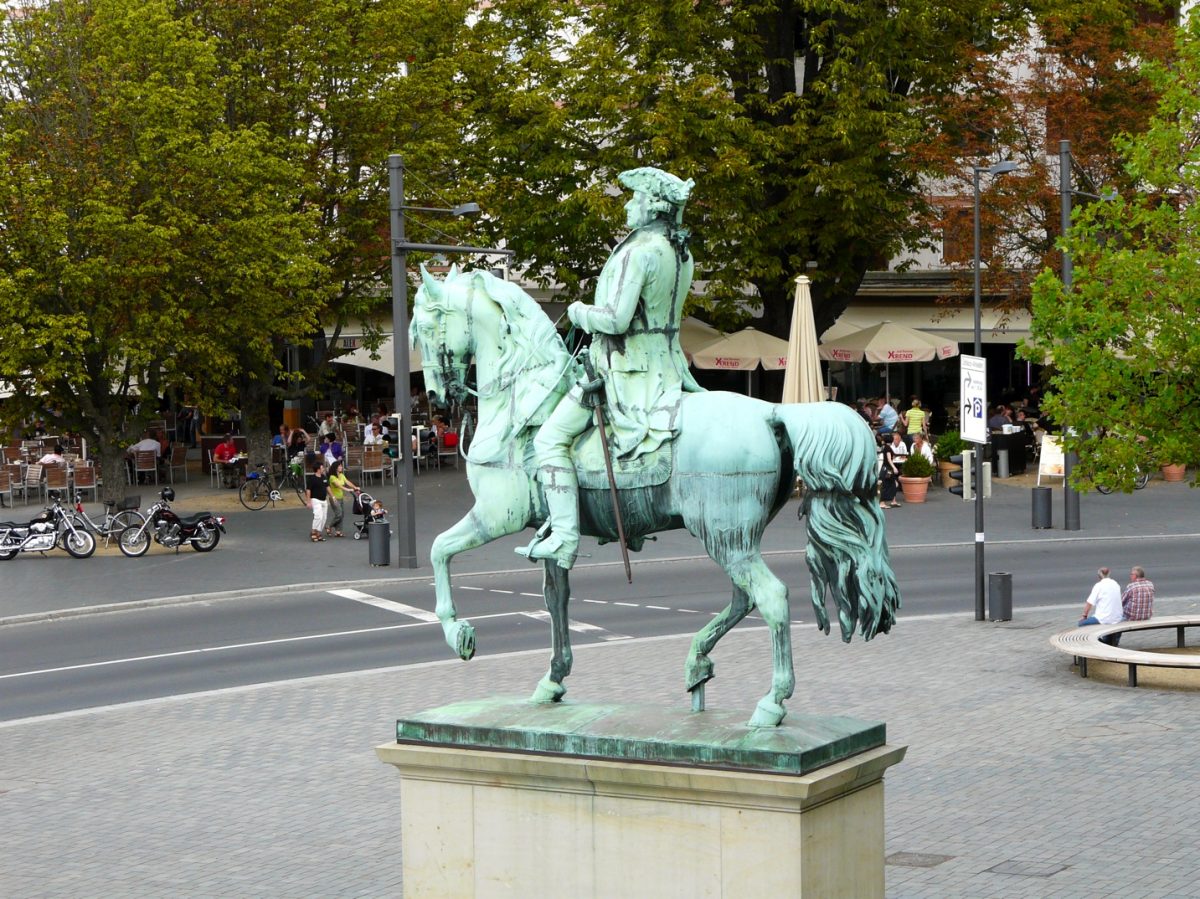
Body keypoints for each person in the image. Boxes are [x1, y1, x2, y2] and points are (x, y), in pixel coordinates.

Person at [518, 167, 702, 569]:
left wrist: (579, 312)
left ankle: (565, 536)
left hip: (625, 371)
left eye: (634, 199)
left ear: (652, 206)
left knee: (549, 440)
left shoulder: (640, 252)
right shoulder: (680, 252)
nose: (627, 206)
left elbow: (617, 320)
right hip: (667, 366)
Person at [1077, 567, 1123, 646]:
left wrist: (1084, 616)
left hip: (1103, 618)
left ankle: (1097, 642)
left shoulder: (1099, 585)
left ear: (1099, 576)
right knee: (1111, 623)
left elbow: (1089, 603)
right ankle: (1113, 641)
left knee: (1081, 624)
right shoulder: (1116, 584)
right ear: (1109, 574)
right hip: (1117, 617)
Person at [325, 459, 359, 539]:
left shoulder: (341, 475)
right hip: (334, 498)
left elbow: (347, 482)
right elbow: (338, 485)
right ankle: (328, 526)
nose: (341, 467)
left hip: (341, 498)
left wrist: (355, 487)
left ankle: (338, 531)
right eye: (339, 466)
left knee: (341, 515)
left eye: (341, 466)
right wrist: (348, 490)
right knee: (339, 514)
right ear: (335, 468)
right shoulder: (332, 477)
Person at [305, 457, 329, 542]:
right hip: (315, 500)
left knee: (324, 518)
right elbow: (308, 490)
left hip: (324, 500)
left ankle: (319, 533)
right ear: (318, 469)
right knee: (318, 516)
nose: (323, 469)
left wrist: (332, 496)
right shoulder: (312, 479)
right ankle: (313, 532)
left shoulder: (323, 477)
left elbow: (327, 487)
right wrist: (308, 502)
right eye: (322, 468)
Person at [878, 434, 901, 509]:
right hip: (888, 469)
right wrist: (894, 467)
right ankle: (882, 502)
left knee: (893, 484)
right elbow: (889, 459)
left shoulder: (886, 447)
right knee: (888, 485)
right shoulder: (888, 448)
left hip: (886, 468)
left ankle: (893, 501)